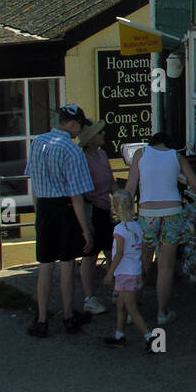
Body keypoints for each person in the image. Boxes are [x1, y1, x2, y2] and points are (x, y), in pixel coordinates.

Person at [126, 131, 196, 326]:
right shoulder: (177, 157)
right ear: (169, 145)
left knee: (141, 263)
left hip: (148, 214)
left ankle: (132, 311)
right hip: (172, 213)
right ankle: (162, 312)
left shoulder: (140, 154)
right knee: (165, 267)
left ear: (152, 143)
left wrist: (126, 217)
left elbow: (130, 188)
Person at [24, 104, 96, 337]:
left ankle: (42, 318)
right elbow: (76, 196)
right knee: (67, 263)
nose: (79, 131)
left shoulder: (37, 143)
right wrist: (86, 229)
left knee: (45, 264)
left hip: (44, 207)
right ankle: (67, 315)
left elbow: (33, 183)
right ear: (72, 124)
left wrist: (38, 213)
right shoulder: (71, 150)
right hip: (64, 208)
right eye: (79, 126)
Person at [102, 191, 155, 351]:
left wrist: (109, 273)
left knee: (131, 308)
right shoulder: (137, 227)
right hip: (134, 271)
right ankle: (119, 334)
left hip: (124, 274)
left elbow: (118, 254)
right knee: (121, 305)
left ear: (116, 209)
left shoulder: (119, 230)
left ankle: (151, 338)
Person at [77, 119, 114, 314]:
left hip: (106, 209)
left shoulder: (102, 155)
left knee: (112, 251)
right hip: (91, 210)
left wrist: (120, 200)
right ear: (91, 138)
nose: (103, 135)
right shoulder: (82, 158)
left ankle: (116, 291)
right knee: (90, 255)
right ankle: (89, 298)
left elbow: (112, 183)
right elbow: (80, 192)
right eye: (100, 133)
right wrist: (86, 221)